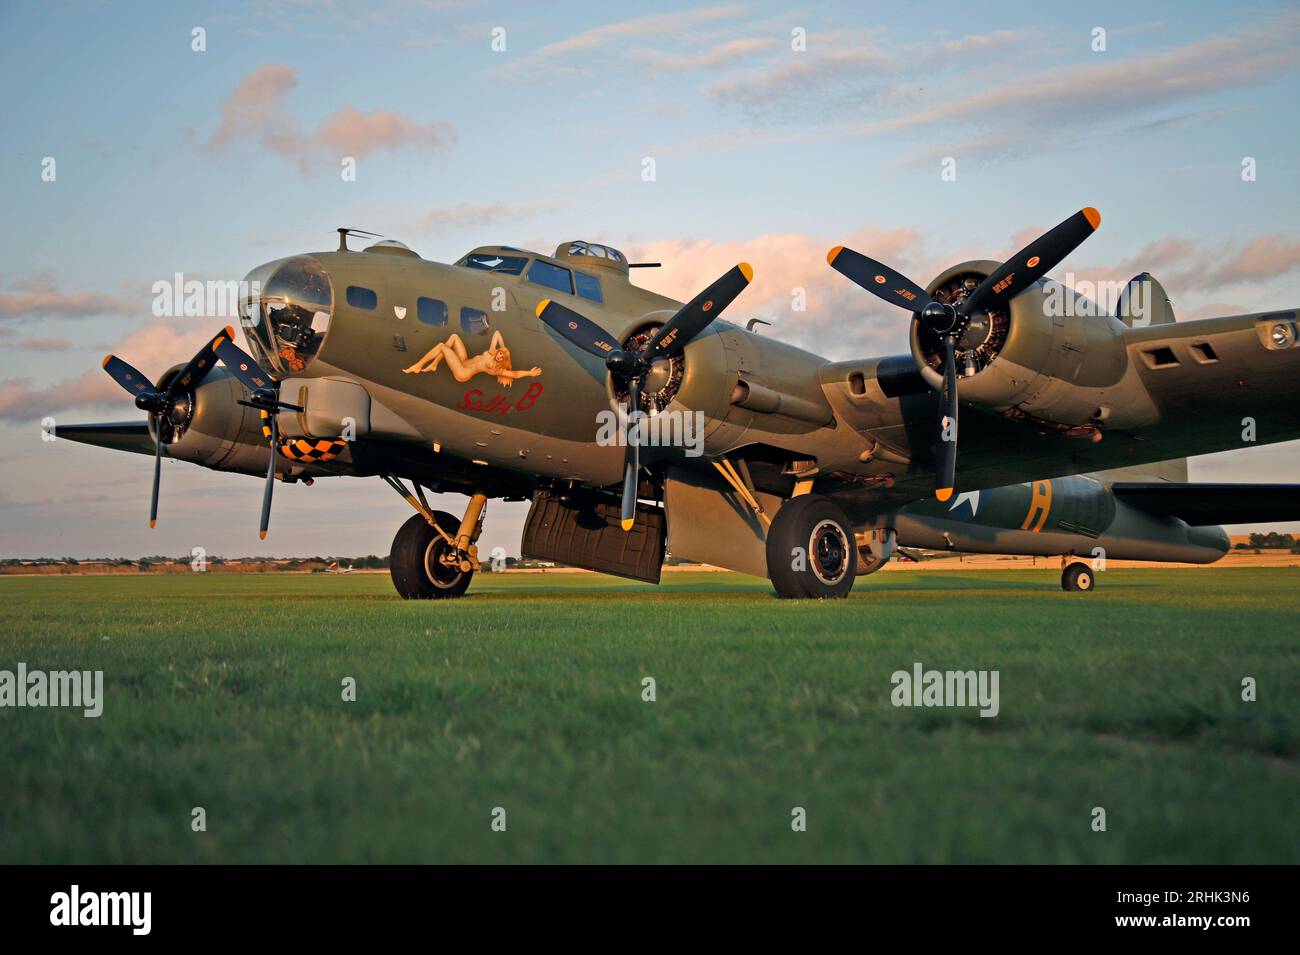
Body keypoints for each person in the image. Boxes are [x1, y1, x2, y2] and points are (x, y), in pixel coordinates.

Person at [403, 330, 541, 388]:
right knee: (454, 337)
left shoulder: (496, 369)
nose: (499, 356)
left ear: (503, 360)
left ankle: (418, 365)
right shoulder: (492, 352)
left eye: (502, 357)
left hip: (463, 372)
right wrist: (505, 349)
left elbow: (515, 374)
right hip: (463, 362)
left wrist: (529, 373)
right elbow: (497, 333)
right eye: (500, 354)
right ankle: (434, 364)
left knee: (442, 346)